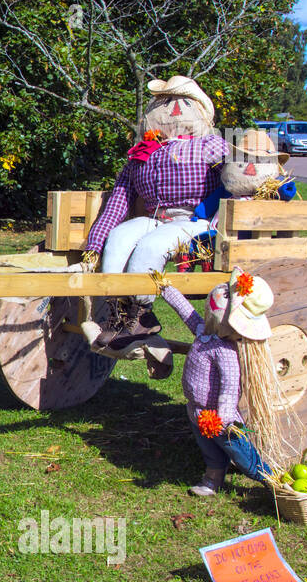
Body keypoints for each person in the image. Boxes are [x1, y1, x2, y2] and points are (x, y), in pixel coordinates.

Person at [85, 76, 227, 351]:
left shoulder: (211, 146)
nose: (172, 110)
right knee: (118, 238)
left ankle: (142, 314)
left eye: (183, 103)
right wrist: (95, 242)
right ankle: (118, 315)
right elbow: (120, 198)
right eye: (163, 103)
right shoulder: (143, 153)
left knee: (151, 247)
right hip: (155, 217)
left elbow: (237, 178)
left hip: (194, 219)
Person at [152, 267, 288, 497]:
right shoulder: (204, 332)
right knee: (210, 452)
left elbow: (230, 384)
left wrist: (224, 415)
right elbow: (188, 313)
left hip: (219, 419)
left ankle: (272, 482)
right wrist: (168, 290)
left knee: (241, 454)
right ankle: (212, 480)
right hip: (197, 411)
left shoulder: (225, 351)